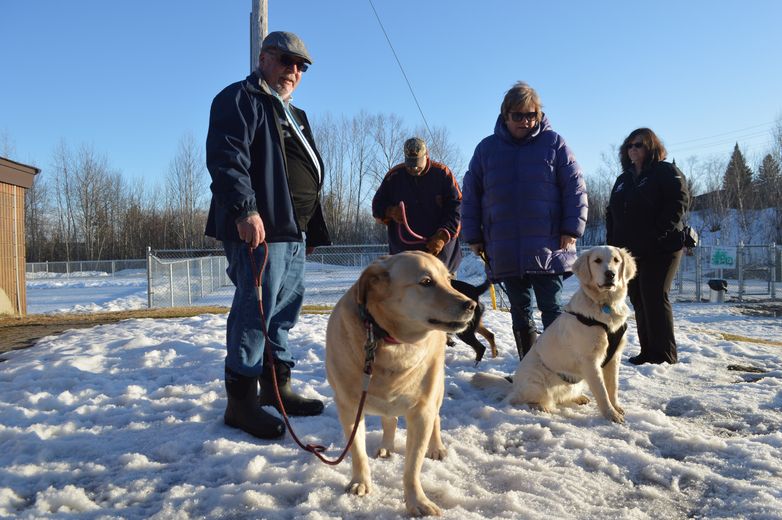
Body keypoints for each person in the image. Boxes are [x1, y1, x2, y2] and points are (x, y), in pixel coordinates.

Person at [205, 31, 331, 440]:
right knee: (254, 311)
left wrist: (312, 226)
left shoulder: (295, 113)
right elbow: (227, 159)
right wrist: (246, 209)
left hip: (292, 231)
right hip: (259, 228)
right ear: (264, 58)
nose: (293, 71)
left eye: (301, 67)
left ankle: (277, 389)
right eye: (285, 61)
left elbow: (305, 173)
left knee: (283, 314)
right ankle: (240, 402)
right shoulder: (239, 99)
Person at [461, 81, 588, 360]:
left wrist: (571, 228)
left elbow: (575, 188)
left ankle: (558, 369)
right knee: (520, 312)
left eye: (532, 115)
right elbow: (470, 195)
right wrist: (474, 236)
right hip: (505, 247)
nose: (526, 121)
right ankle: (529, 368)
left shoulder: (554, 144)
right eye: (518, 115)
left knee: (552, 309)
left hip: (548, 243)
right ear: (505, 115)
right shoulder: (486, 150)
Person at [606, 128, 689, 365]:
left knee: (654, 295)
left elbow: (678, 203)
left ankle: (663, 355)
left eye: (639, 144)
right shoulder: (624, 179)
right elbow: (611, 213)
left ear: (651, 147)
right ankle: (647, 352)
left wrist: (658, 234)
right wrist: (613, 246)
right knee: (639, 298)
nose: (633, 149)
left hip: (661, 248)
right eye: (630, 145)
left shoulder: (665, 171)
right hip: (630, 253)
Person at [372, 137, 462, 274]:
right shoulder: (394, 177)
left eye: (418, 163)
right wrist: (389, 211)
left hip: (440, 261)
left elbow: (458, 209)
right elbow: (377, 206)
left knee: (441, 294)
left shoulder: (443, 174)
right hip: (404, 264)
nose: (414, 168)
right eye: (410, 164)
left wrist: (443, 236)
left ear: (427, 156)